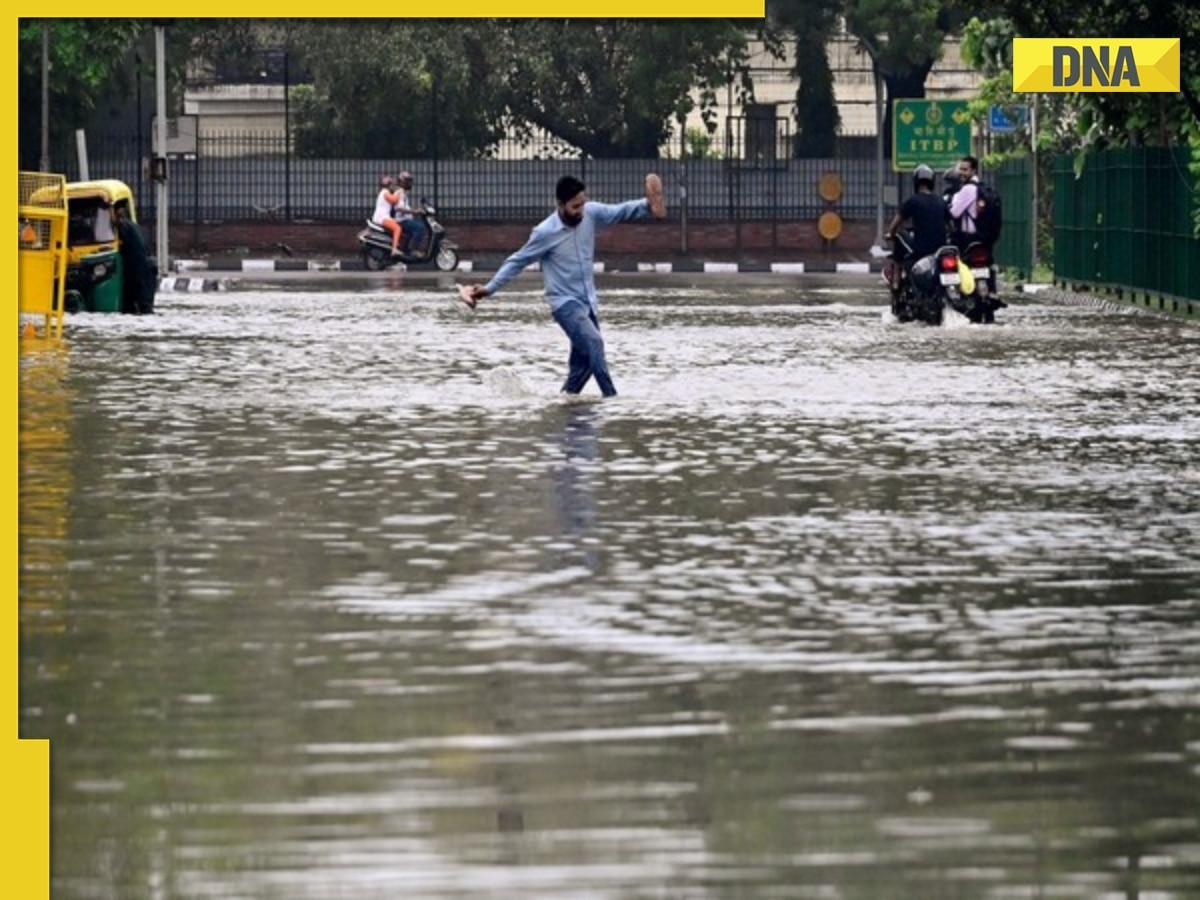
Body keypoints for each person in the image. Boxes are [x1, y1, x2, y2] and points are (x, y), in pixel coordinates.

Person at [459, 173, 666, 399]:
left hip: (588, 303)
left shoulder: (590, 213)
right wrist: (489, 288)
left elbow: (619, 211)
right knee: (594, 343)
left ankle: (566, 403)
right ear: (560, 204)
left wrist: (647, 205)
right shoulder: (545, 232)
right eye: (575, 206)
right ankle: (612, 400)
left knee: (584, 366)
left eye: (582, 204)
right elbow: (517, 261)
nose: (581, 211)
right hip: (565, 305)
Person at [884, 163, 947, 288]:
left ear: (916, 182)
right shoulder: (941, 201)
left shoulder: (913, 201)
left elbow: (896, 223)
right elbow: (950, 224)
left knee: (899, 235)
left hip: (921, 249)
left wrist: (890, 234)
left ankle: (896, 280)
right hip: (940, 249)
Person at [110, 202, 157, 315]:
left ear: (120, 218)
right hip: (148, 265)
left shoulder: (124, 226)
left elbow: (123, 244)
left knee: (141, 303)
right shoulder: (134, 226)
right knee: (144, 301)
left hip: (140, 267)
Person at [948, 155, 981, 254]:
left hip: (968, 238)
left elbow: (954, 213)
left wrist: (954, 199)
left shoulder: (968, 188)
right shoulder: (980, 186)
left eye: (965, 170)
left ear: (973, 171)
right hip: (981, 236)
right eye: (960, 169)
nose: (961, 173)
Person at [393, 171, 427, 255]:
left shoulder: (403, 192)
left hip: (405, 219)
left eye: (410, 181)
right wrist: (414, 211)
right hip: (401, 220)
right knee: (420, 228)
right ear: (402, 182)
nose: (410, 183)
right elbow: (399, 208)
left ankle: (405, 248)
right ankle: (414, 250)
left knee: (420, 222)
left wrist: (417, 210)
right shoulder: (399, 192)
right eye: (408, 181)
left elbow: (405, 207)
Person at [371, 174, 403, 256]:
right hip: (382, 217)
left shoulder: (384, 192)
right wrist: (398, 192)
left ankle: (395, 243)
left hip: (384, 217)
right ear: (389, 185)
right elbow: (394, 200)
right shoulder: (385, 192)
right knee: (397, 228)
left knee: (398, 225)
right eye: (392, 185)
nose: (393, 186)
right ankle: (394, 249)